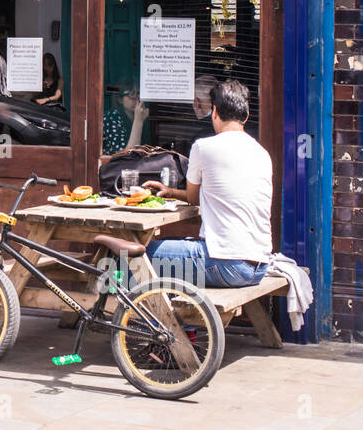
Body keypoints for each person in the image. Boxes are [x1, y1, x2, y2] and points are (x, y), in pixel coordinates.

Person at [144, 78, 271, 289]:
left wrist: (174, 192)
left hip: (225, 264)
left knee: (131, 256)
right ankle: (182, 319)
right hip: (258, 267)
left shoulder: (204, 147)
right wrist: (171, 192)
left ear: (214, 112)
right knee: (178, 259)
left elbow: (194, 198)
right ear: (246, 116)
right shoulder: (262, 153)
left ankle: (119, 312)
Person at [102, 86, 148, 155]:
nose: (137, 99)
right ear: (119, 99)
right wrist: (138, 121)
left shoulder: (138, 116)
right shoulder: (112, 118)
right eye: (132, 94)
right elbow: (126, 156)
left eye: (139, 94)